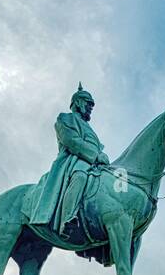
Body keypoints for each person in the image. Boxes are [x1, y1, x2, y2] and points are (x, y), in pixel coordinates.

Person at [27, 84, 110, 233]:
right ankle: (67, 219)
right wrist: (96, 155)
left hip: (95, 163)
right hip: (74, 160)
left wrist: (101, 157)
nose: (91, 107)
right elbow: (72, 141)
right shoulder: (65, 118)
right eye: (88, 103)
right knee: (80, 176)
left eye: (92, 104)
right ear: (78, 102)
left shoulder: (90, 129)